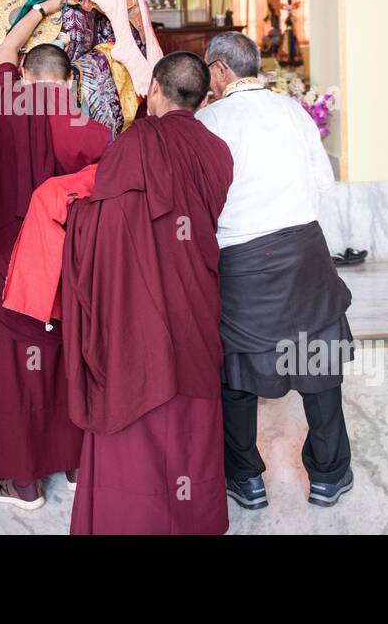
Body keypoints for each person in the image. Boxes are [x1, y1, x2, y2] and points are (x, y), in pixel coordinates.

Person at [60, 51, 234, 534]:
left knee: (140, 383)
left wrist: (76, 215)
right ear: (205, 97)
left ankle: (134, 517)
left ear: (154, 88)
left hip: (137, 304)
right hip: (196, 296)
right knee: (191, 400)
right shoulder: (217, 149)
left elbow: (107, 226)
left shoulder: (136, 142)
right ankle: (191, 518)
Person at [0, 3, 111, 510]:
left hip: (1, 267)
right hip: (59, 268)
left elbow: (7, 47)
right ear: (67, 83)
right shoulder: (81, 123)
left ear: (23, 76)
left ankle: (17, 481)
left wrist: (38, 6)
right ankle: (76, 465)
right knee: (67, 360)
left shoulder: (2, 98)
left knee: (8, 376)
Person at [199, 32, 354, 511]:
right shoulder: (292, 112)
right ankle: (329, 475)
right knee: (317, 362)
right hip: (305, 252)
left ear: (220, 71)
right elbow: (321, 184)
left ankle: (246, 479)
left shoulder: (209, 120)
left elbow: (202, 202)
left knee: (237, 374)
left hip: (243, 261)